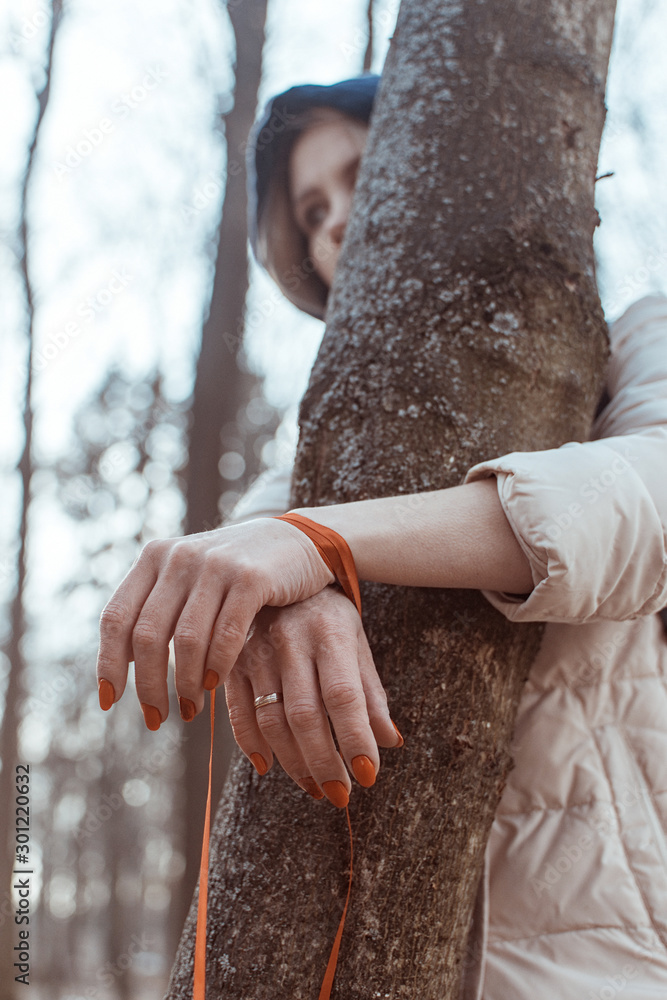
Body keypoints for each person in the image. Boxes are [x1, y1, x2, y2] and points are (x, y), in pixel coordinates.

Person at [97, 74, 667, 998]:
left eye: (364, 175)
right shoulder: (328, 445)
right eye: (311, 209)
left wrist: (315, 543)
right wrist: (296, 583)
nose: (331, 223)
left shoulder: (636, 338)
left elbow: (652, 498)